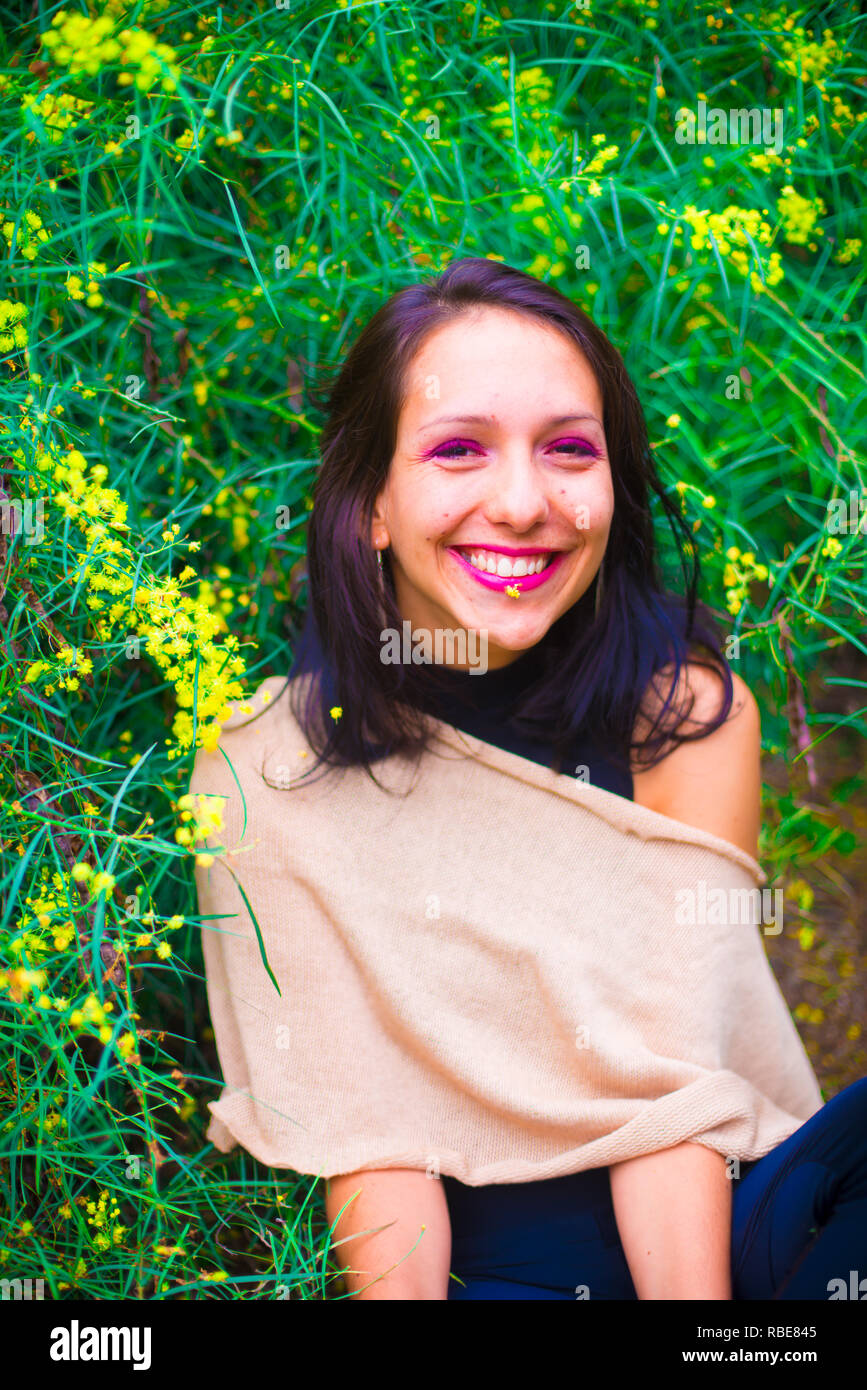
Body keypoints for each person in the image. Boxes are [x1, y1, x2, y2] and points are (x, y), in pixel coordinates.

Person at [190, 256, 867, 1300]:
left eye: (569, 451)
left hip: (725, 1241)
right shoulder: (265, 768)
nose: (522, 501)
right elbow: (373, 1135)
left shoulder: (683, 715)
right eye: (459, 449)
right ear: (369, 502)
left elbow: (669, 1090)